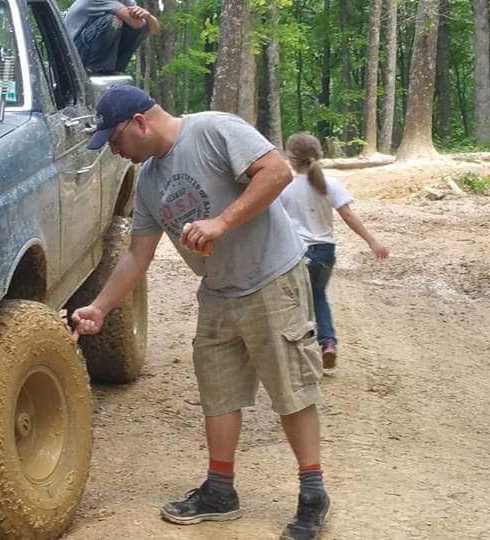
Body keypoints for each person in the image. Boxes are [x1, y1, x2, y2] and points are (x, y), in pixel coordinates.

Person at [71, 85, 331, 540]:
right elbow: (137, 254)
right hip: (217, 291)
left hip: (272, 277)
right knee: (219, 393)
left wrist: (222, 221)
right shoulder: (149, 181)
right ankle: (220, 490)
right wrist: (99, 307)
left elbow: (276, 172)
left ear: (139, 122)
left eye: (115, 140)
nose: (114, 151)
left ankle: (313, 493)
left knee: (291, 388)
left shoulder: (213, 129)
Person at [279, 132, 389, 369]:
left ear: (291, 158)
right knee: (318, 296)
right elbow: (348, 215)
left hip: (297, 253)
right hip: (325, 252)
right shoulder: (330, 184)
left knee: (298, 302)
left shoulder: (284, 187)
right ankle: (327, 342)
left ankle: (302, 352)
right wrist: (372, 241)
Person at [64, 0, 160, 75]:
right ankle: (95, 71)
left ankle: (115, 71)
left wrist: (147, 16)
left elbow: (154, 30)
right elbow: (137, 23)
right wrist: (142, 17)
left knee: (140, 28)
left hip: (101, 53)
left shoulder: (126, 2)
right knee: (112, 20)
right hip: (72, 57)